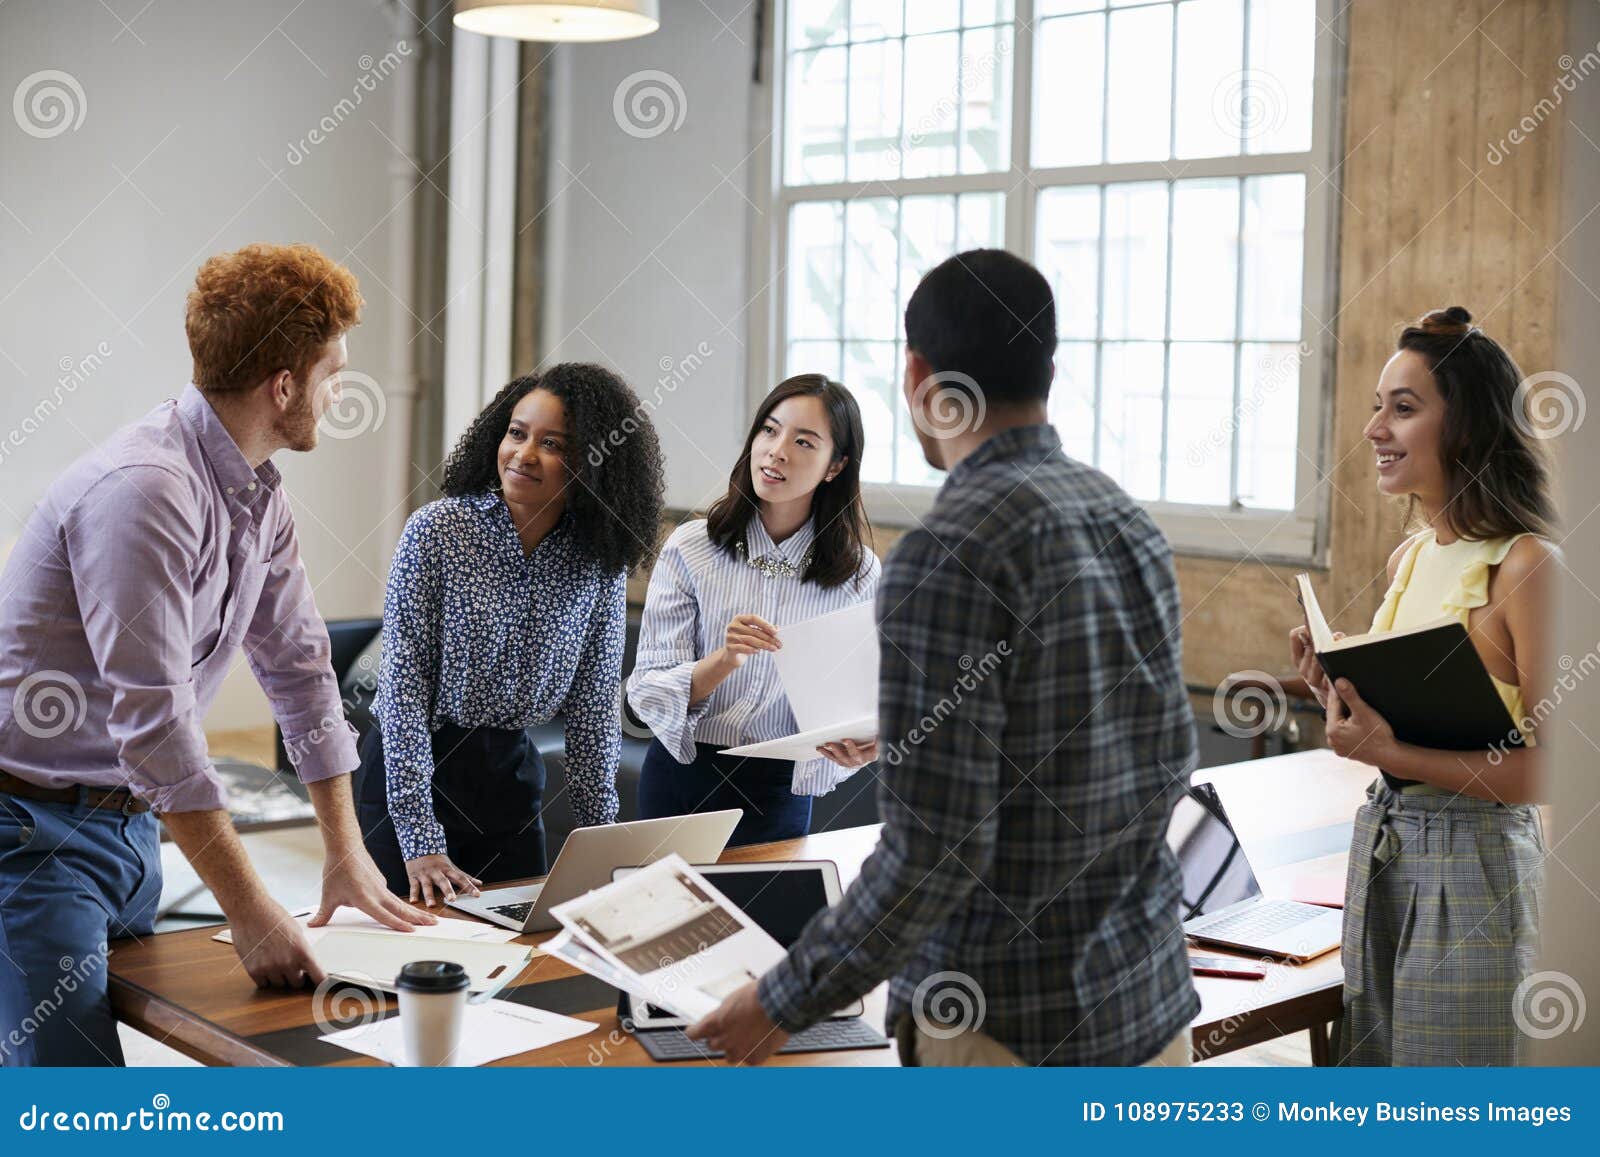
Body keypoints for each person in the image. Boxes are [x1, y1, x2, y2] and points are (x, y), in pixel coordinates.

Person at [688, 250, 1200, 1066]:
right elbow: (1151, 755)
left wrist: (780, 1000)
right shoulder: (1122, 515)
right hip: (1148, 1001)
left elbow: (934, 853)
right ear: (1051, 368)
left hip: (1007, 1029)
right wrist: (910, 740)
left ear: (918, 374)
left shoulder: (951, 549)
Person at [0, 243, 431, 1067]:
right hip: (30, 834)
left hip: (131, 834)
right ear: (283, 386)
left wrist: (344, 852)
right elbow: (157, 730)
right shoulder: (147, 490)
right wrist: (252, 908)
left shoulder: (253, 486)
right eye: (334, 373)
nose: (341, 393)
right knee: (72, 1096)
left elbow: (302, 672)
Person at [1289, 307, 1557, 1065]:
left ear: (1466, 425)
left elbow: (1557, 769)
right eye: (1378, 406)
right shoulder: (1410, 558)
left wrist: (1396, 750)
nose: (1376, 427)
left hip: (1476, 873)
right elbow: (1401, 730)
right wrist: (1335, 689)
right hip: (1385, 853)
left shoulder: (1527, 566)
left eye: (1403, 408)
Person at [358, 365, 665, 906]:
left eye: (552, 444)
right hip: (411, 773)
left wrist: (603, 840)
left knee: (523, 947)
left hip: (509, 781)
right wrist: (420, 838)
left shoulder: (600, 562)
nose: (523, 454)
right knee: (409, 956)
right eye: (516, 433)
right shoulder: (437, 532)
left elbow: (594, 711)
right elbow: (402, 692)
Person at [626, 375, 880, 846]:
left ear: (835, 466)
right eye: (769, 430)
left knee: (765, 919)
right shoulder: (691, 547)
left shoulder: (860, 574)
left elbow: (868, 700)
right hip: (681, 778)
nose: (776, 451)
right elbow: (647, 693)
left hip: (777, 791)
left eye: (803, 441)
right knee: (662, 920)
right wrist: (725, 659)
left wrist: (869, 742)